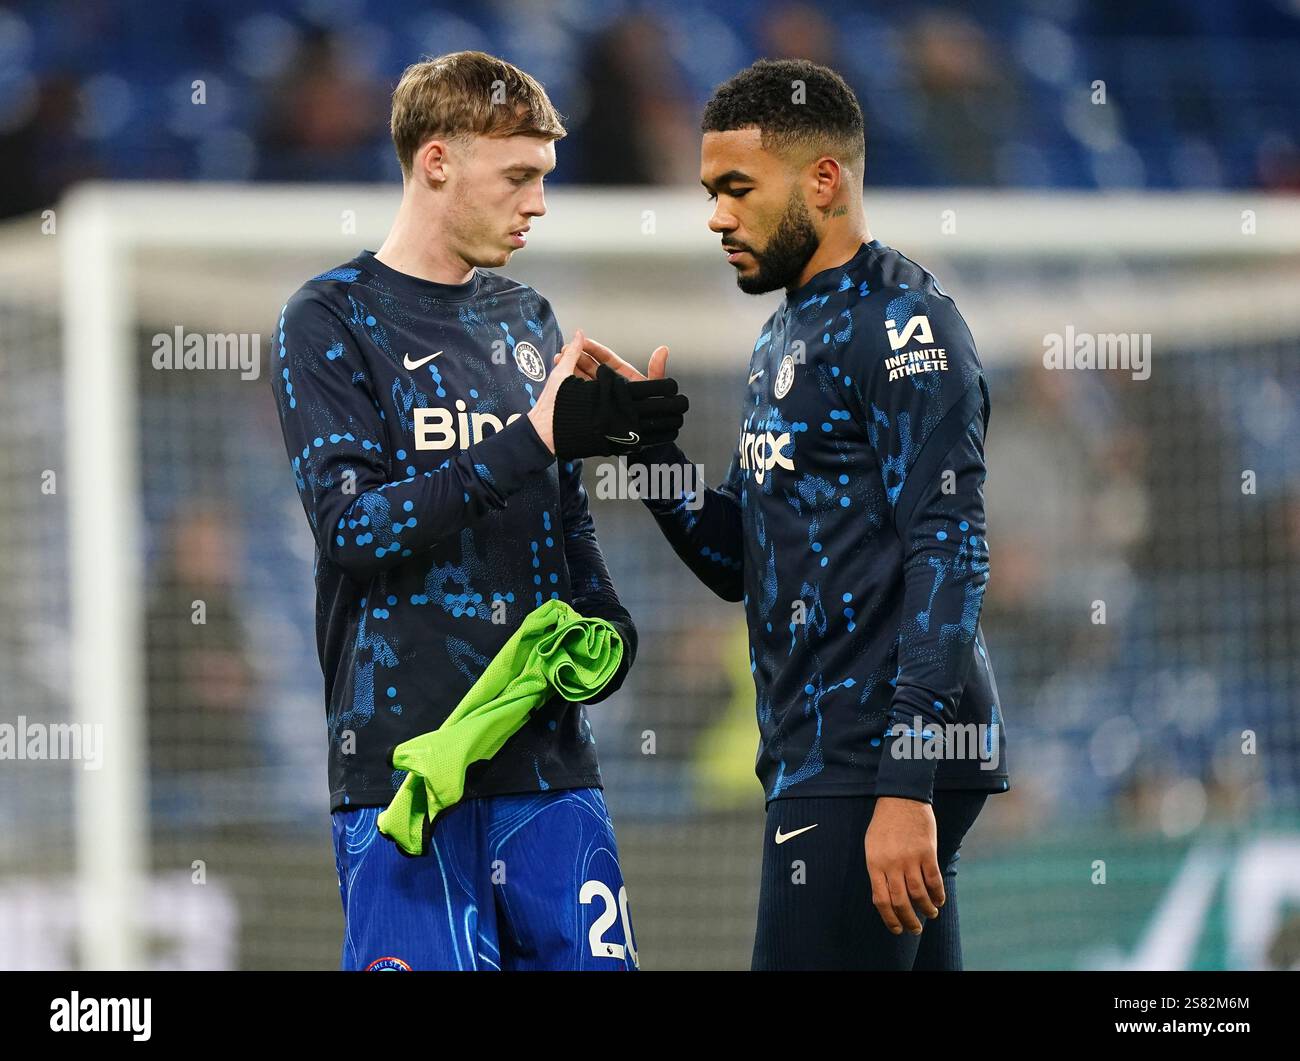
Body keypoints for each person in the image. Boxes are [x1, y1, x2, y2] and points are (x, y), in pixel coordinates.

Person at [572, 58, 1010, 970]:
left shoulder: (904, 325)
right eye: (709, 191)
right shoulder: (786, 331)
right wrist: (650, 451)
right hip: (836, 759)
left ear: (824, 179)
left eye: (737, 188)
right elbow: (742, 558)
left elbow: (952, 550)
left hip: (867, 758)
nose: (716, 215)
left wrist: (903, 783)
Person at [269, 51, 686, 971]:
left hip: (548, 769)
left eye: (543, 177)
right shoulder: (328, 320)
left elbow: (562, 521)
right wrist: (528, 440)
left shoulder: (526, 319)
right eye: (521, 176)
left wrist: (606, 629)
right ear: (437, 162)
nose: (537, 203)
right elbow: (353, 529)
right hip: (405, 770)